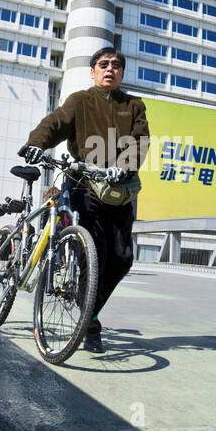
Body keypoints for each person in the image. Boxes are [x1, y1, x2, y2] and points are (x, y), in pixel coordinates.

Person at [22, 46, 149, 353]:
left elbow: (141, 139)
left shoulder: (134, 105)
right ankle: (90, 322)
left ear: (122, 72)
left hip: (120, 190)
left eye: (116, 65)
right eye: (103, 64)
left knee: (122, 258)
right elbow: (55, 123)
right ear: (93, 72)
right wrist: (35, 144)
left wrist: (125, 167)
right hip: (84, 185)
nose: (110, 69)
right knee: (95, 253)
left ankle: (86, 302)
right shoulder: (80, 100)